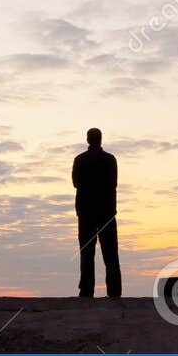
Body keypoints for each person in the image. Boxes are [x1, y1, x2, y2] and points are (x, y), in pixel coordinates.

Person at [72, 127, 121, 298]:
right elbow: (114, 183)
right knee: (111, 254)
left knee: (87, 253)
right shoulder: (110, 159)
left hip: (86, 212)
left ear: (87, 140)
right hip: (107, 212)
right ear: (100, 140)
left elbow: (75, 183)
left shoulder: (80, 160)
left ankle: (86, 290)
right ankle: (114, 291)